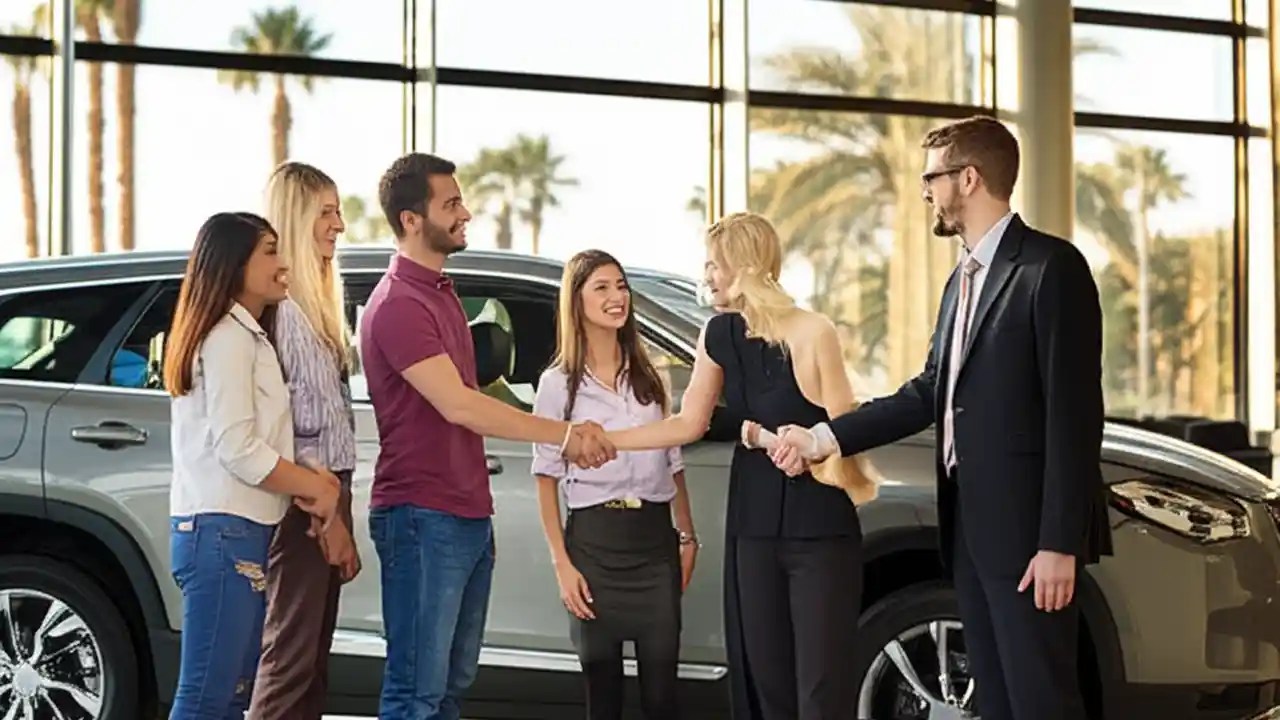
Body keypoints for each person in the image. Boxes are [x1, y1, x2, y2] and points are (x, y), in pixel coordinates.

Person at [771, 115, 1111, 720]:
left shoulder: (1050, 269)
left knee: (1042, 700)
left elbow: (1075, 416)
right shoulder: (961, 279)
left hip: (1030, 539)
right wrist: (826, 436)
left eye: (932, 177)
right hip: (969, 532)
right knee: (1000, 701)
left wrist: (1059, 542)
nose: (925, 190)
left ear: (970, 178)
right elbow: (930, 390)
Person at [360, 152, 617, 719]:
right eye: (450, 204)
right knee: (416, 691)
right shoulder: (398, 304)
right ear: (410, 219)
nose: (465, 212)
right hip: (422, 518)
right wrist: (564, 433)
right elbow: (459, 405)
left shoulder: (441, 293)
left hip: (465, 515)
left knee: (450, 686)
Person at [603, 212, 877, 720]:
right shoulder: (718, 334)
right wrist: (609, 440)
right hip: (752, 528)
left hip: (820, 529)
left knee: (821, 686)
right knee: (765, 678)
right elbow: (687, 424)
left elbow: (849, 433)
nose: (706, 276)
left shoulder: (815, 332)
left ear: (745, 266)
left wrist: (812, 449)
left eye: (714, 265)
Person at [164, 211, 341, 719]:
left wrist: (309, 480)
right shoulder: (227, 337)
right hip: (221, 537)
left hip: (239, 535)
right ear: (232, 262)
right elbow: (237, 446)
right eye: (269, 251)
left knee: (230, 700)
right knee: (205, 701)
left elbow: (257, 440)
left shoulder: (247, 336)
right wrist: (314, 485)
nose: (283, 263)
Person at [531, 250, 698, 720]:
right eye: (601, 287)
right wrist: (562, 564)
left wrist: (687, 535)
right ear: (576, 300)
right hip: (594, 547)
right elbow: (546, 478)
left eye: (621, 286)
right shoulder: (557, 385)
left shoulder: (652, 377)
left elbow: (673, 460)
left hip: (653, 544)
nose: (616, 297)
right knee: (602, 698)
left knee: (662, 698)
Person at [248, 162, 361, 720]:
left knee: (311, 659)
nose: (339, 224)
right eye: (326, 211)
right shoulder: (286, 314)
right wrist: (330, 518)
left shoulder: (315, 309)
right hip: (305, 504)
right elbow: (298, 433)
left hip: (326, 494)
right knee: (290, 660)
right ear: (295, 218)